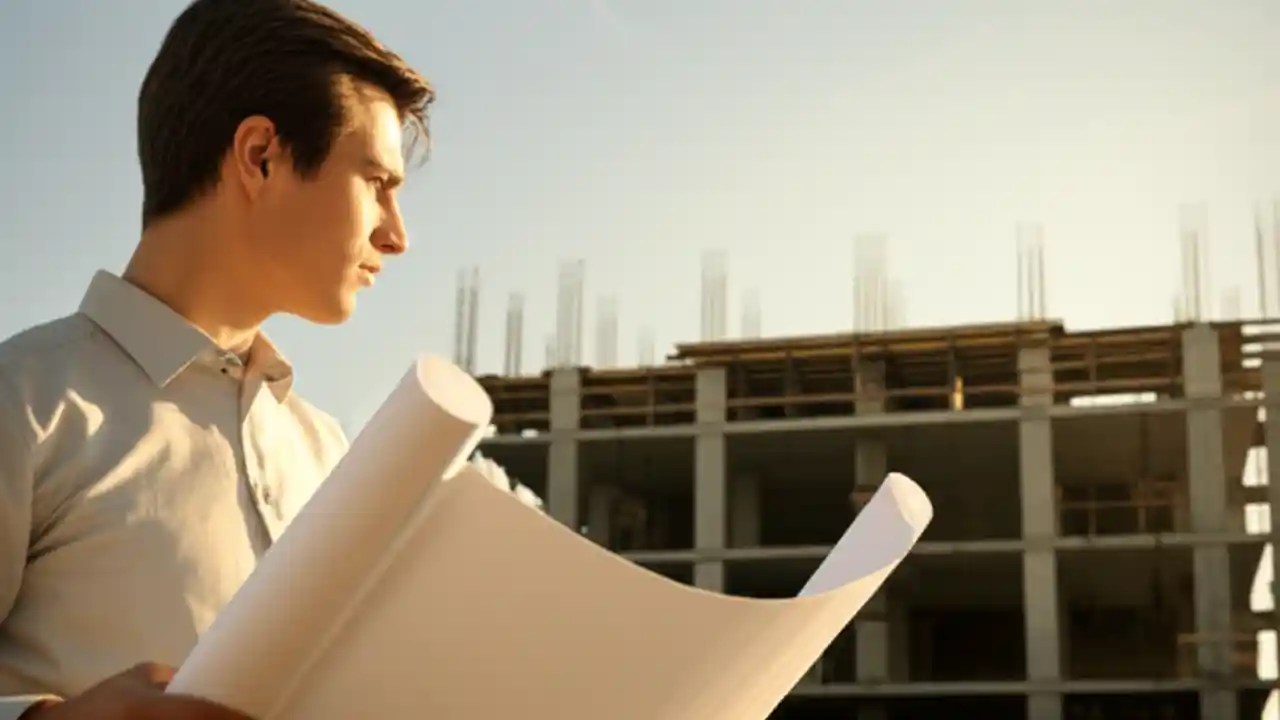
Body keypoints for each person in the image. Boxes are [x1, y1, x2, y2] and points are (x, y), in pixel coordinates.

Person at [0, 1, 532, 718]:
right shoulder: (22, 403)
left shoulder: (332, 454)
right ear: (261, 156)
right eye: (377, 183)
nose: (397, 235)